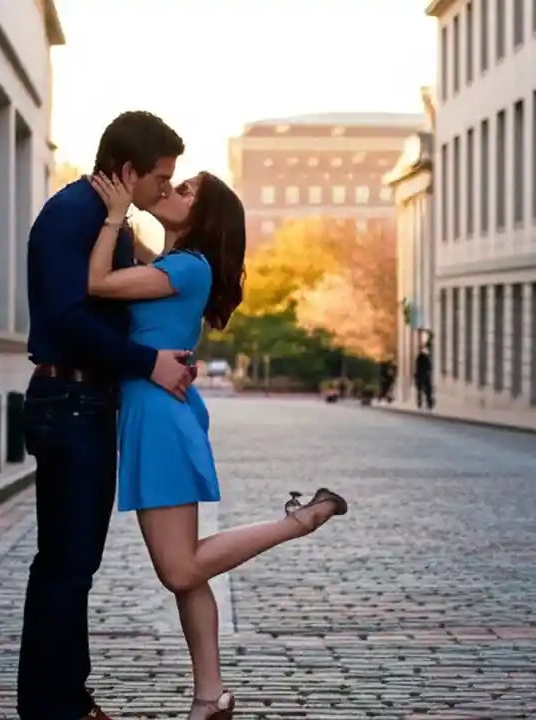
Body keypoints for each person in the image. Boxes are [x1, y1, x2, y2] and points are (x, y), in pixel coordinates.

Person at [85, 169, 350, 720]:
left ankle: (297, 521)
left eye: (185, 191)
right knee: (189, 570)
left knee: (180, 569)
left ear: (202, 217)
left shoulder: (186, 266)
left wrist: (113, 218)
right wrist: (122, 209)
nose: (172, 190)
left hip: (160, 421)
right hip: (154, 414)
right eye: (173, 182)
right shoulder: (167, 261)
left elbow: (99, 285)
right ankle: (211, 697)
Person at [18, 111, 196, 720]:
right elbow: (70, 317)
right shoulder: (74, 215)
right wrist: (147, 362)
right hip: (69, 401)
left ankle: (61, 697)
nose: (164, 191)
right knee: (67, 565)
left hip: (83, 401)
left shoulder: (106, 221)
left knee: (70, 564)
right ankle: (57, 706)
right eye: (159, 179)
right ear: (126, 172)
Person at [414, 345, 434, 410]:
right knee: (427, 390)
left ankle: (422, 402)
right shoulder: (425, 358)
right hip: (424, 376)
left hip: (421, 376)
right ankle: (428, 403)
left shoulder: (419, 358)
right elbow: (429, 367)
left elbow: (417, 368)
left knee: (421, 390)